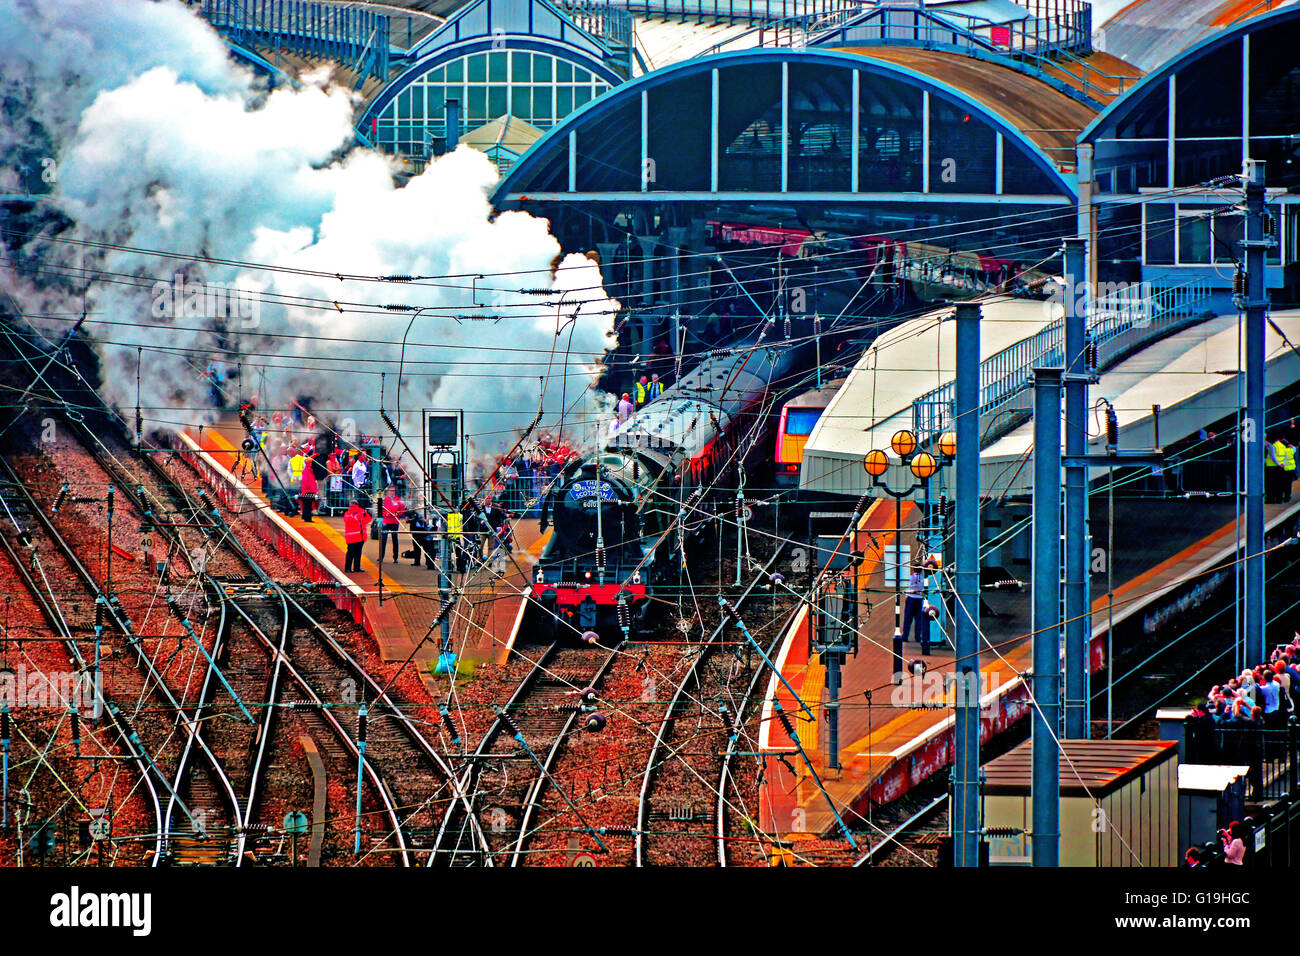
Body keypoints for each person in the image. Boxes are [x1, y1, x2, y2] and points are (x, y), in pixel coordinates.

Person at [342, 498, 370, 573]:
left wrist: (364, 514)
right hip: (356, 537)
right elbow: (350, 520)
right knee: (354, 552)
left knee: (355, 552)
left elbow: (367, 520)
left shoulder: (352, 513)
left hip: (357, 537)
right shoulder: (350, 513)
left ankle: (353, 567)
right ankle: (351, 567)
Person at [379, 485, 404, 564]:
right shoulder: (384, 500)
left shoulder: (398, 500)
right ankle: (381, 557)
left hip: (394, 522)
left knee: (395, 540)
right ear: (388, 492)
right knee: (383, 540)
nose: (392, 492)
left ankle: (395, 557)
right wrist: (385, 514)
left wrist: (397, 514)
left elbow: (402, 510)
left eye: (393, 491)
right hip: (386, 522)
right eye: (391, 491)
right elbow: (380, 510)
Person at [299, 453, 319, 522]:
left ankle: (305, 516)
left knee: (307, 504)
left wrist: (315, 455)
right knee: (308, 505)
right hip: (308, 490)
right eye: (310, 462)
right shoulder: (307, 470)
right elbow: (309, 482)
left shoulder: (308, 469)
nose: (311, 463)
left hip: (307, 490)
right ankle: (307, 517)